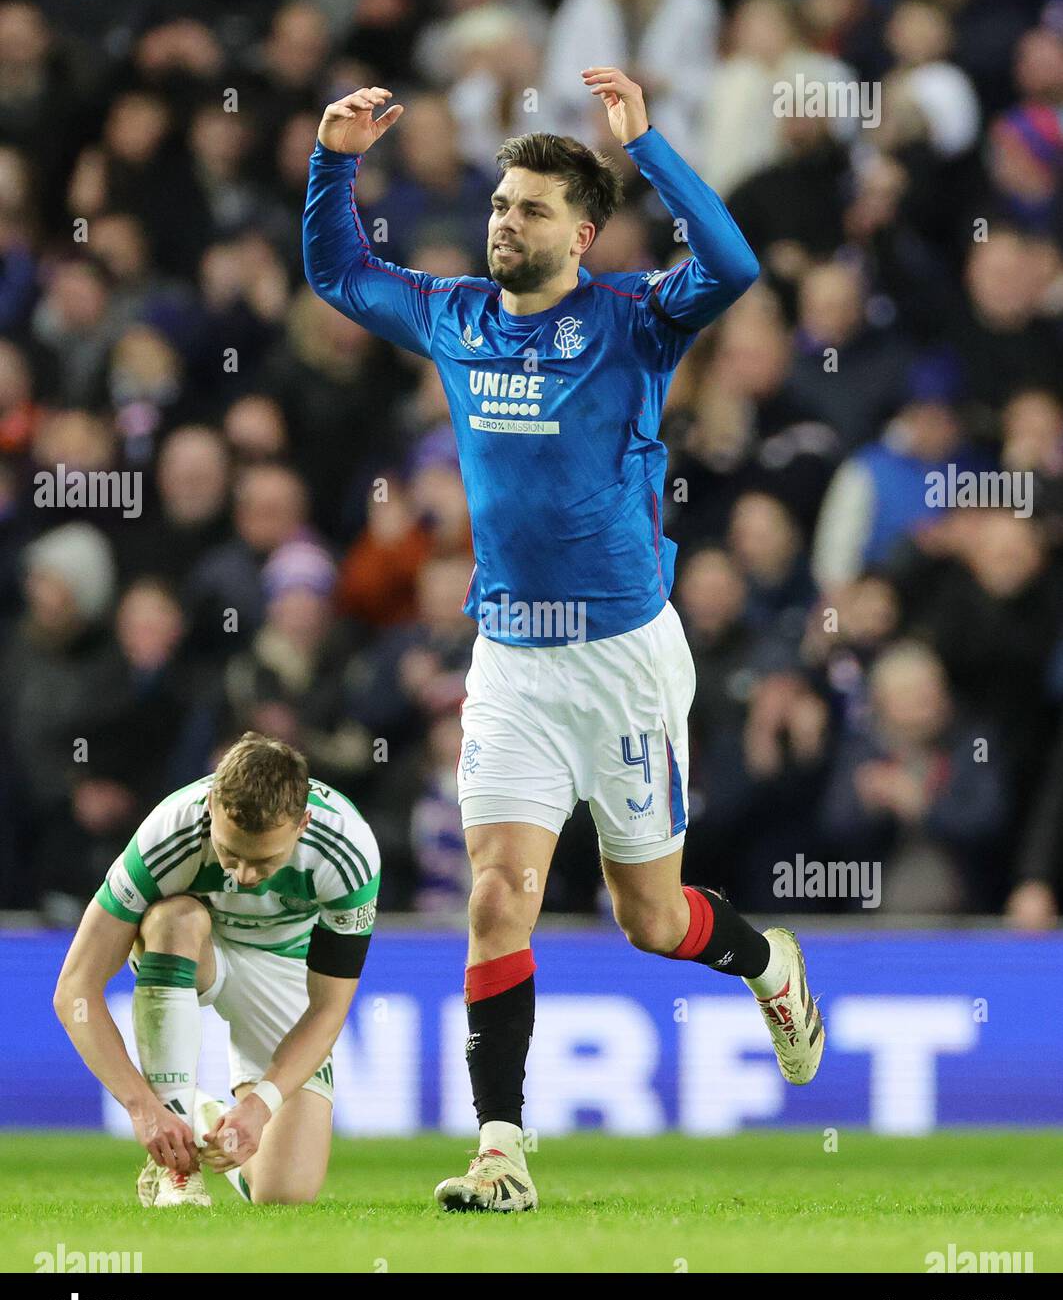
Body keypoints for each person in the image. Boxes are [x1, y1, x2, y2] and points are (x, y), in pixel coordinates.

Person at [303, 70, 824, 1215]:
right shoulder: (451, 315)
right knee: (498, 893)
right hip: (510, 661)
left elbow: (735, 268)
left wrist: (651, 147)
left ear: (582, 234)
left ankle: (766, 961)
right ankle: (501, 1147)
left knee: (649, 918)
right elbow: (338, 272)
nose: (505, 221)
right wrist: (334, 159)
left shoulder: (632, 317)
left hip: (624, 658)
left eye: (532, 209)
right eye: (500, 204)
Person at [53, 733, 380, 1207]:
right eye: (230, 853)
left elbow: (329, 1010)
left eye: (263, 859)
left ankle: (196, 1113)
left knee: (284, 1194)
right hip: (199, 947)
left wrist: (258, 1107)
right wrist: (143, 1108)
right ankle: (174, 1163)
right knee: (174, 919)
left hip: (286, 967)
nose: (243, 876)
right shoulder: (168, 832)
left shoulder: (348, 853)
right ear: (211, 806)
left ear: (303, 823)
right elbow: (75, 990)